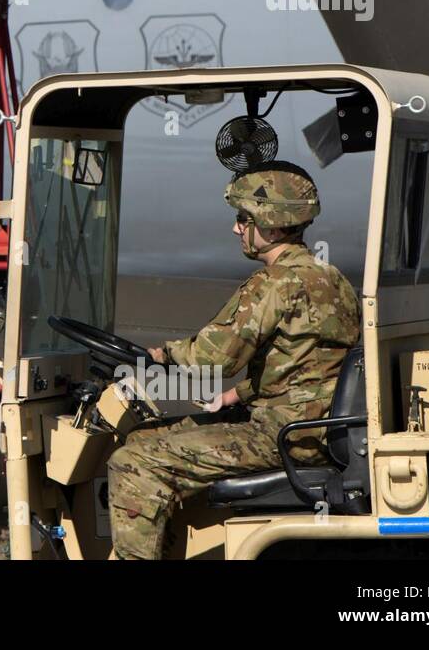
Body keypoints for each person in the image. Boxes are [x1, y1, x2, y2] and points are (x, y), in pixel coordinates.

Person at [107, 161, 360, 559]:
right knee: (143, 437)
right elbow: (308, 367)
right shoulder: (333, 278)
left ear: (271, 227)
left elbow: (213, 359)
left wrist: (161, 355)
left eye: (244, 219)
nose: (235, 228)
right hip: (310, 429)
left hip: (281, 435)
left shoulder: (275, 284)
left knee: (133, 461)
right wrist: (237, 395)